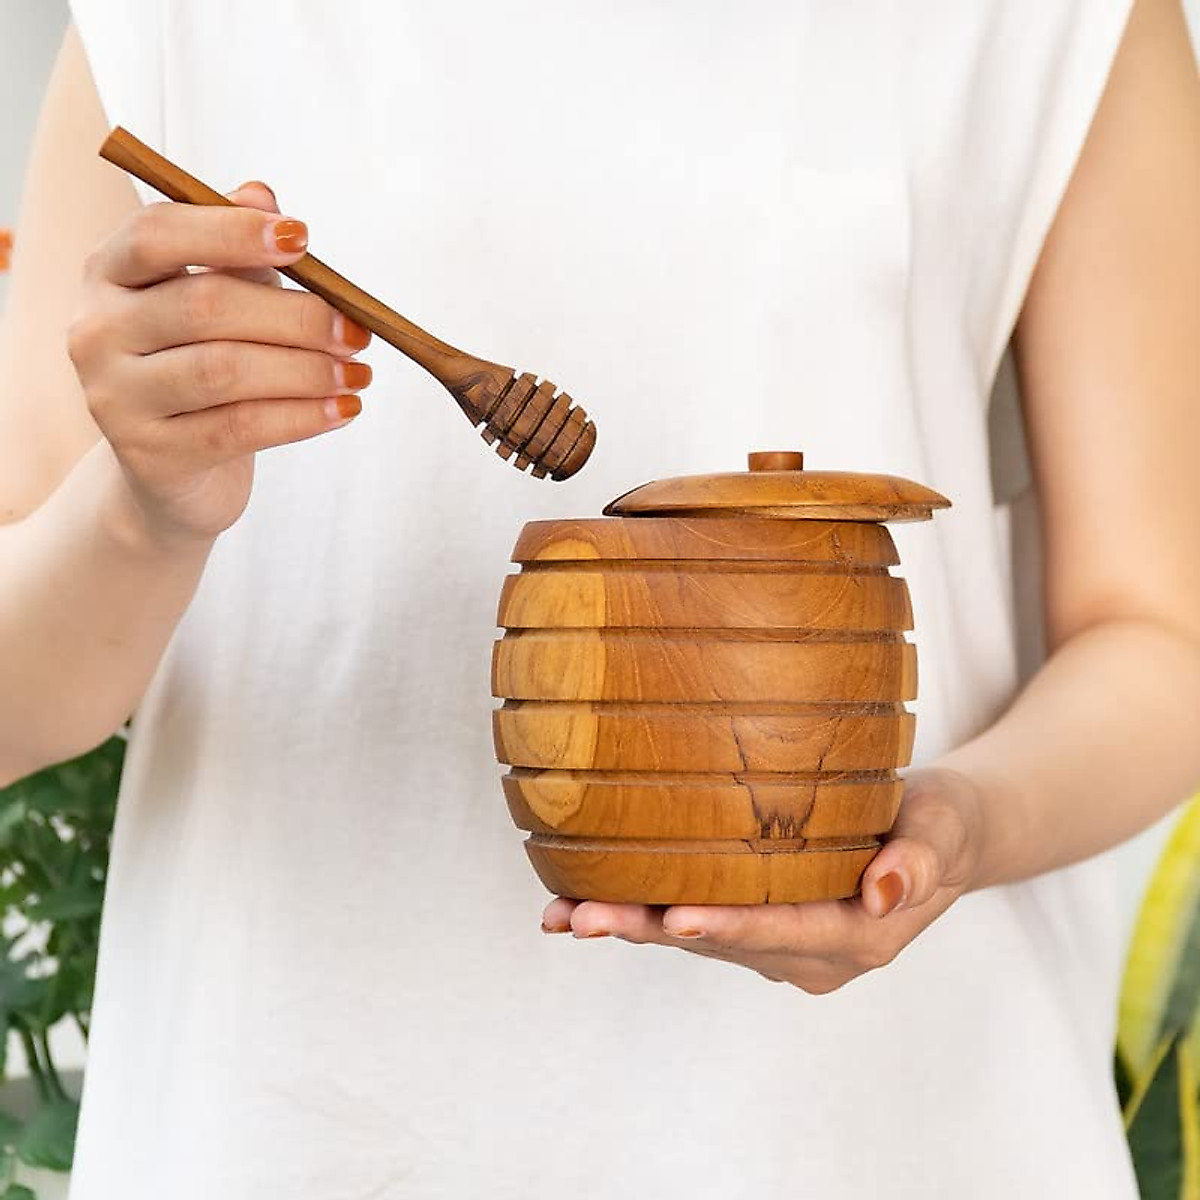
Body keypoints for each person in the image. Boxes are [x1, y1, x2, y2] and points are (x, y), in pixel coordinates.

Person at [2, 1, 1197, 1196]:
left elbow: (1162, 636)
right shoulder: (175, 21)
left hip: (876, 1131)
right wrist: (142, 507)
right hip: (290, 1118)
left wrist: (959, 826)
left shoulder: (1050, 21)